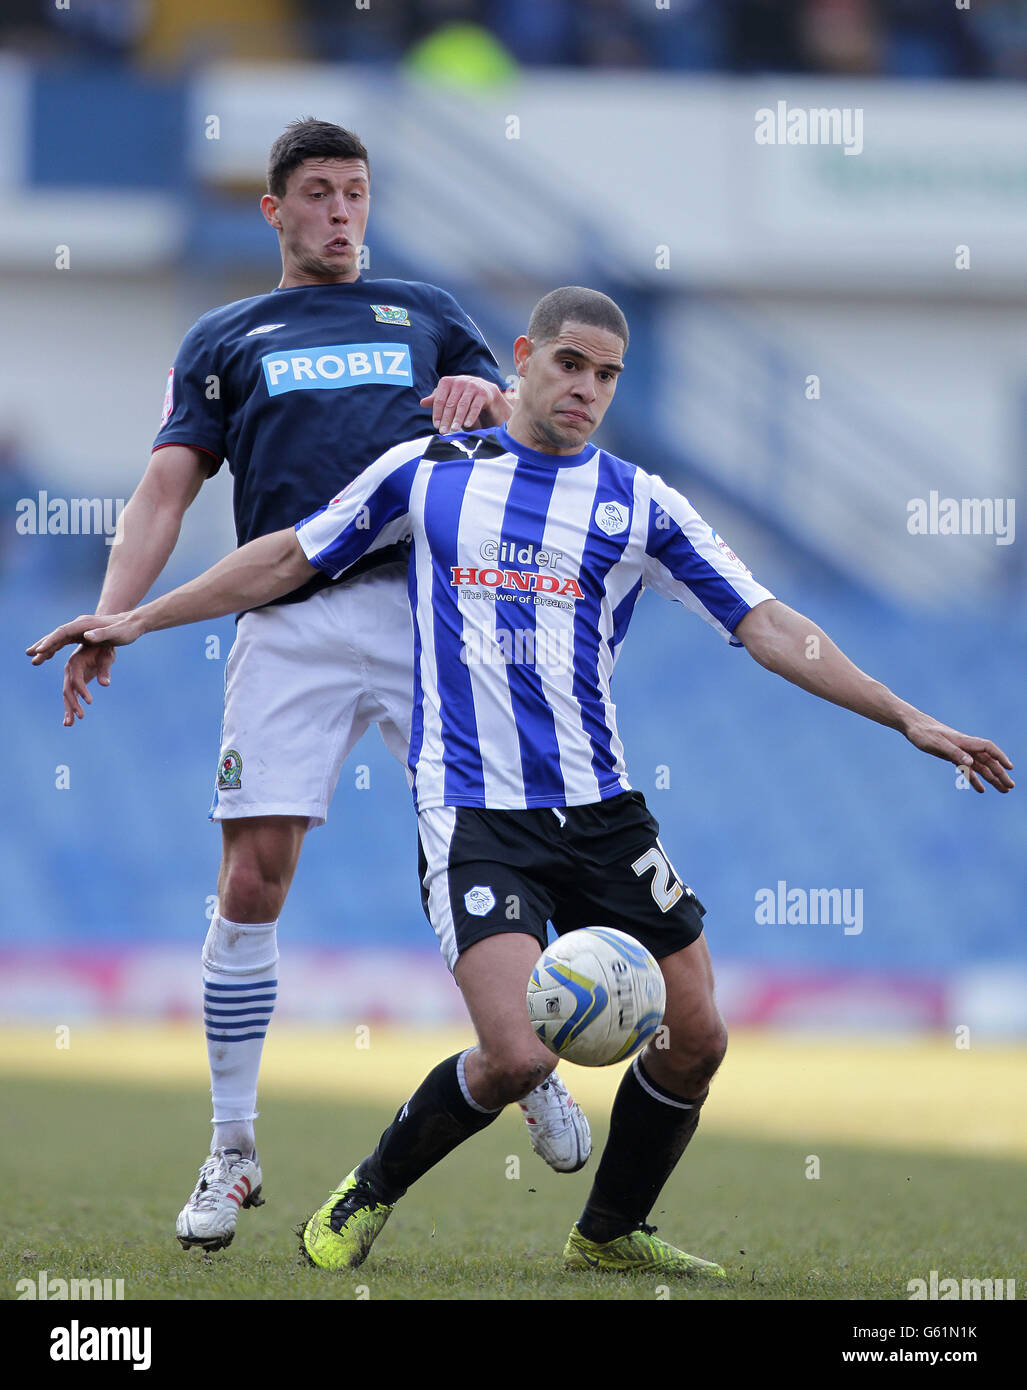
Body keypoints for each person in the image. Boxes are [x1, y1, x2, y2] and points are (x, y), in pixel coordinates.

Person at [29, 286, 1014, 1277]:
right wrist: (138, 617)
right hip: (474, 816)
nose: (586, 388)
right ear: (525, 360)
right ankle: (367, 1190)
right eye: (570, 364)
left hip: (603, 813)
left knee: (699, 1036)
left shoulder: (639, 501)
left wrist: (909, 716)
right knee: (515, 1058)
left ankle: (609, 1228)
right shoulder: (426, 472)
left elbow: (769, 625)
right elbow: (288, 555)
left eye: (606, 374)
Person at [51, 120, 591, 1255]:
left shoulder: (426, 312)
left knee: (488, 837)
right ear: (274, 211)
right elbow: (163, 491)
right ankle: (234, 1147)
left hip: (422, 613)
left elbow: (530, 434)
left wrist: (486, 396)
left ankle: (529, 1049)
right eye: (319, 194)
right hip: (284, 619)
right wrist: (117, 605)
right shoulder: (227, 335)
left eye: (356, 191)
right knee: (253, 874)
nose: (343, 211)